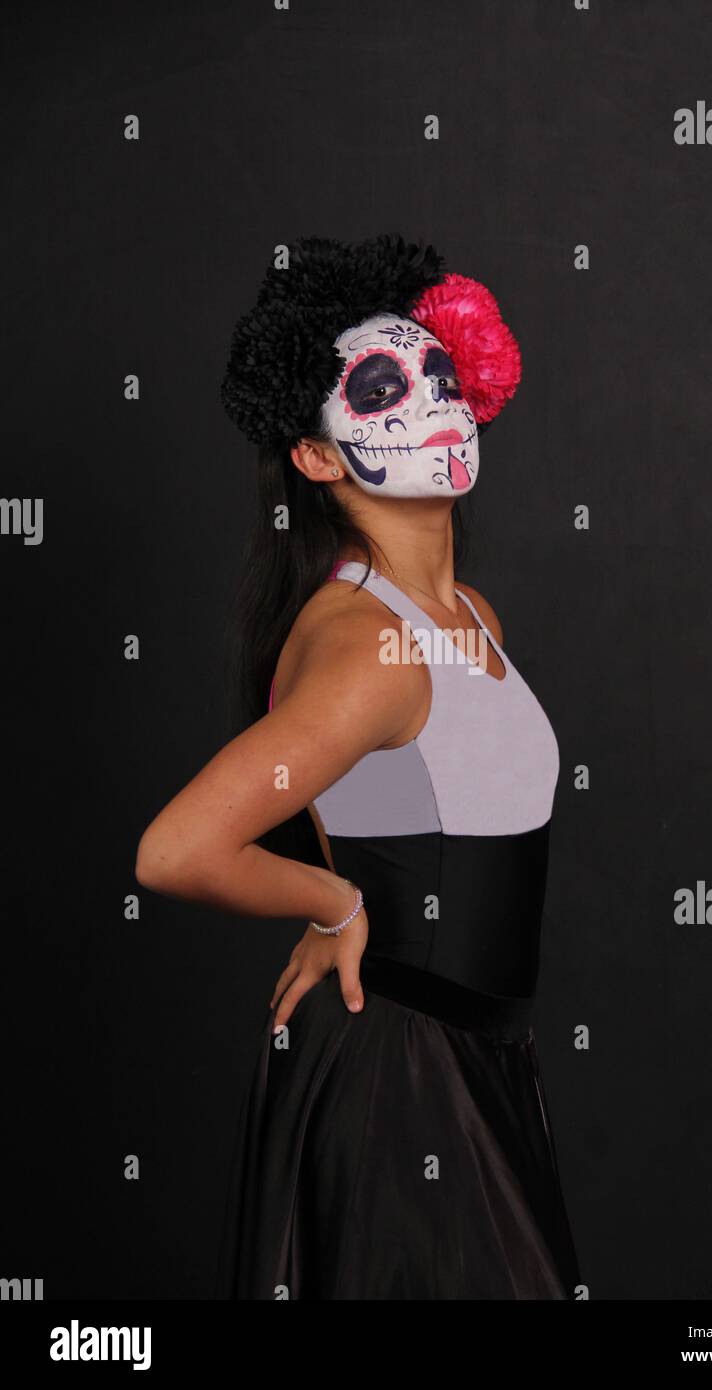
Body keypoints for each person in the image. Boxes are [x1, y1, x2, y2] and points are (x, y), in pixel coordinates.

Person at [135, 233, 580, 1300]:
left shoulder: (467, 612)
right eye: (380, 389)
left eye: (436, 372)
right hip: (399, 1078)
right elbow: (176, 848)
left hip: (478, 1062)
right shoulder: (362, 646)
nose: (431, 399)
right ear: (318, 458)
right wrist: (333, 903)